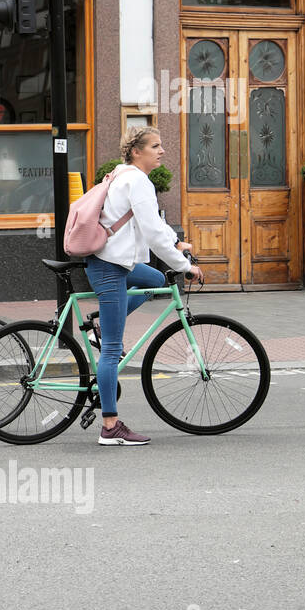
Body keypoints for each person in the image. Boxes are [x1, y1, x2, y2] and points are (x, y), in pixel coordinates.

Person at [88, 127, 203, 446]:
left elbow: (153, 223)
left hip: (115, 260)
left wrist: (176, 243)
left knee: (154, 280)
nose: (161, 150)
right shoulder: (136, 180)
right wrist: (185, 267)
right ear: (137, 151)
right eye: (155, 146)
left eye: (161, 145)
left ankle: (100, 321)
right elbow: (152, 233)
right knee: (111, 349)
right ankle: (110, 426)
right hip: (109, 267)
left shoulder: (123, 175)